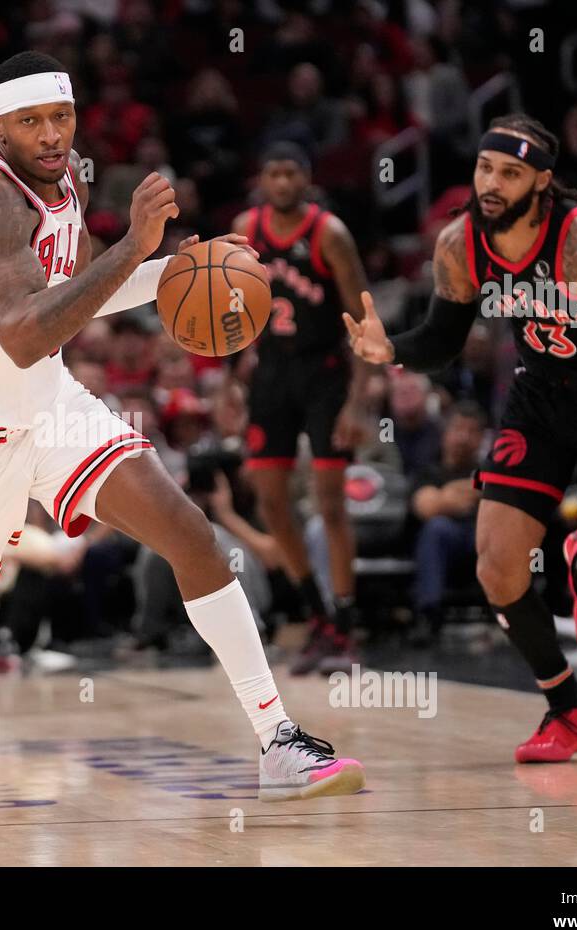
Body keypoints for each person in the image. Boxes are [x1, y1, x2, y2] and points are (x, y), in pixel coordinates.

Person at [0, 51, 365, 816]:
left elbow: (70, 303)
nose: (49, 135)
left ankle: (277, 739)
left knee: (188, 529)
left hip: (44, 406)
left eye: (61, 118)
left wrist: (180, 270)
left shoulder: (64, 177)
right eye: (31, 122)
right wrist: (136, 250)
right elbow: (22, 331)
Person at [346, 114, 577, 762]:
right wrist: (391, 347)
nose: (491, 183)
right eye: (484, 168)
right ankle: (569, 710)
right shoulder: (460, 242)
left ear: (543, 183)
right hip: (539, 398)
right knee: (496, 563)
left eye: (509, 172)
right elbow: (443, 340)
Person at [232, 142, 370, 675]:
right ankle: (318, 619)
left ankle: (347, 623)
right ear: (263, 180)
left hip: (325, 374)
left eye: (292, 173)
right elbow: (231, 302)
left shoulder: (329, 234)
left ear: (306, 179)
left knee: (330, 505)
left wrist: (360, 400)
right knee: (270, 502)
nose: (283, 182)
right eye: (274, 173)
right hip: (271, 373)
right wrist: (232, 370)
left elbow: (362, 317)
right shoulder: (248, 226)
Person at [407, 400, 487, 646]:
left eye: (471, 431)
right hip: (447, 544)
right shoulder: (428, 471)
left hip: (483, 541)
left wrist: (449, 494)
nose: (463, 437)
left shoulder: (491, 470)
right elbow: (427, 507)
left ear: (482, 438)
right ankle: (429, 615)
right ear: (446, 433)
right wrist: (472, 492)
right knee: (436, 528)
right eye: (458, 429)